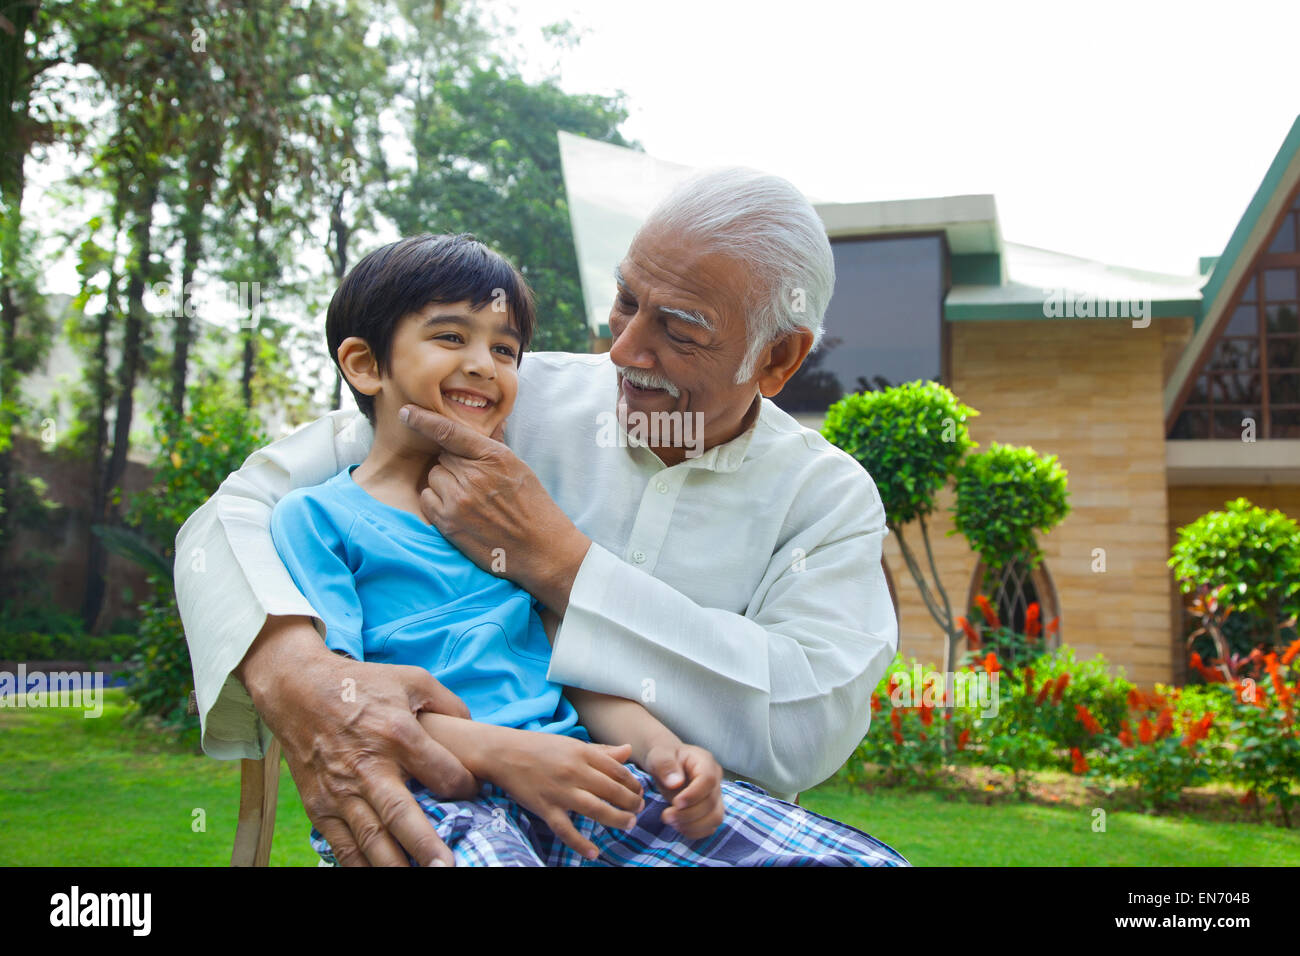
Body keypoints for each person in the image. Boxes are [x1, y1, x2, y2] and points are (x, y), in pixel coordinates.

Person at [175, 167, 901, 867]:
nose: (623, 349)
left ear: (777, 358)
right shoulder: (499, 401)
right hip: (459, 805)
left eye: (678, 328)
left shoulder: (825, 500)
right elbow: (237, 513)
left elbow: (805, 722)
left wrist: (562, 565)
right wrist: (297, 671)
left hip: (663, 825)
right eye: (625, 299)